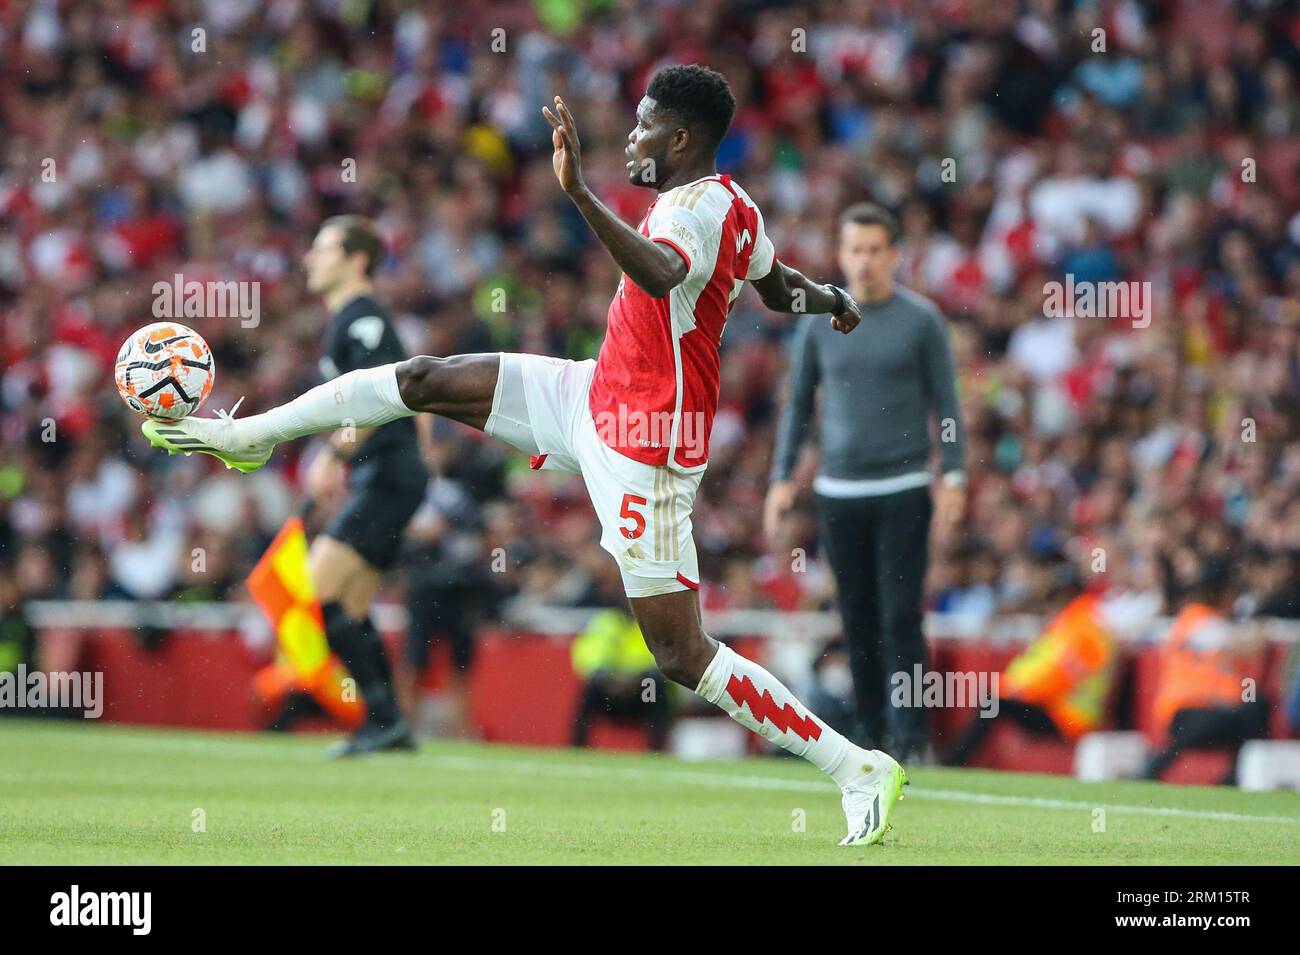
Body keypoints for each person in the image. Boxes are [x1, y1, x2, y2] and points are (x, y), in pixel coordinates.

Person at [141, 65, 908, 846]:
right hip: (590, 394)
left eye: (643, 124)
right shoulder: (738, 207)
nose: (630, 135)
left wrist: (579, 195)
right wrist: (833, 299)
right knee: (423, 378)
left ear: (680, 138)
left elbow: (663, 271)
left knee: (679, 651)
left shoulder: (700, 210)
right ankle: (250, 435)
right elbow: (777, 288)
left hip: (647, 446)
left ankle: (856, 767)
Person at [765, 202, 966, 762]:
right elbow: (798, 405)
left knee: (900, 616)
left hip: (902, 487)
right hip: (839, 492)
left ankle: (910, 739)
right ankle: (872, 737)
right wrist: (782, 478)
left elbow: (946, 405)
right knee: (855, 619)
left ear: (894, 254)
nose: (865, 261)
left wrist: (954, 475)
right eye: (855, 249)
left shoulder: (921, 320)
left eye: (876, 249)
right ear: (840, 254)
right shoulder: (818, 323)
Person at [298, 216, 426, 756]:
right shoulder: (353, 319)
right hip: (389, 474)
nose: (310, 258)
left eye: (322, 248)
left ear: (357, 260)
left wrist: (332, 454)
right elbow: (414, 399)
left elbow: (381, 400)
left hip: (388, 477)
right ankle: (387, 724)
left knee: (314, 589)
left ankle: (383, 718)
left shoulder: (362, 317)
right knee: (348, 607)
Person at [941, 577, 1119, 766]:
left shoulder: (1081, 631)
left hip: (1069, 718)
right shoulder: (1081, 625)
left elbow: (1056, 677)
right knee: (995, 701)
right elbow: (1040, 668)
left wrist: (1016, 692)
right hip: (1064, 711)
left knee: (993, 704)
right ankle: (955, 760)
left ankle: (954, 762)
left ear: (1063, 598)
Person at [1140, 569, 1268, 785]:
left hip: (1217, 708)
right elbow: (1246, 646)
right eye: (1232, 594)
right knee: (1218, 720)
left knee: (1256, 706)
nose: (1234, 601)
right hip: (1185, 709)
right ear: (1219, 594)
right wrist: (1258, 628)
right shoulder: (1196, 620)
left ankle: (1233, 775)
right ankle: (1156, 766)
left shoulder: (1210, 621)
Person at [570, 607, 669, 750]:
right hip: (609, 692)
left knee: (655, 685)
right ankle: (578, 749)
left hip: (642, 692)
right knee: (591, 687)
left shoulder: (653, 625)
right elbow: (589, 657)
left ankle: (656, 750)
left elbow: (661, 662)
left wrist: (636, 679)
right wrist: (609, 679)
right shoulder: (605, 622)